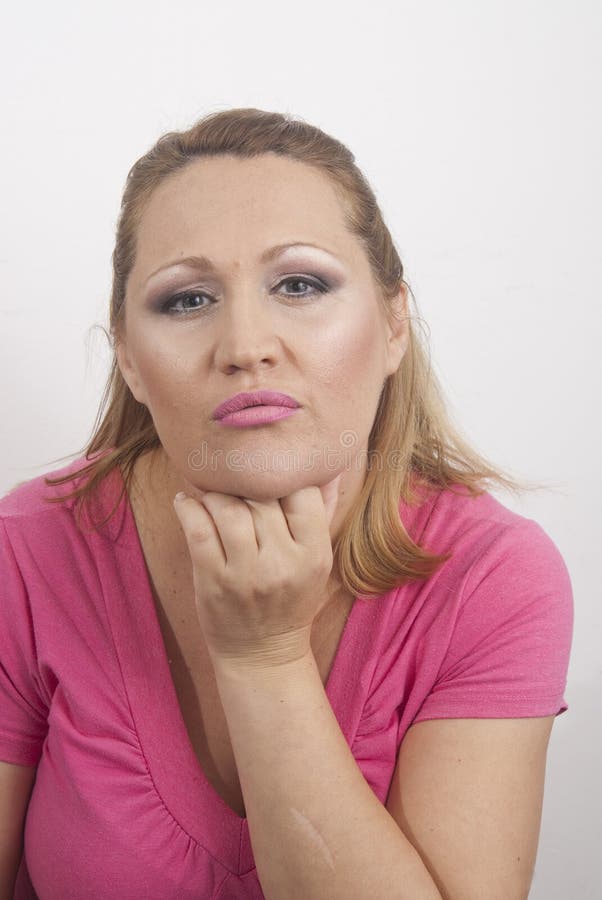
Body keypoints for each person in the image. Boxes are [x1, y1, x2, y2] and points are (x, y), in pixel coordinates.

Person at [0, 107, 573, 900]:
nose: (245, 344)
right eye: (186, 301)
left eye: (299, 284)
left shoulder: (492, 576)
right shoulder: (25, 554)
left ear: (395, 321)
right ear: (128, 357)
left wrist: (263, 658)